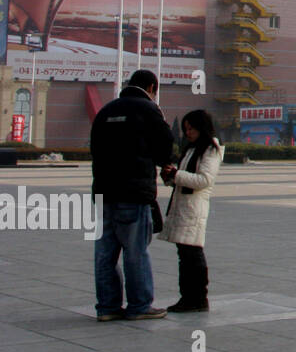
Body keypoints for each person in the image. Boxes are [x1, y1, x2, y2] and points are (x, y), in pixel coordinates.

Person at [89, 69, 174, 321]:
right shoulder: (149, 110)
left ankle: (107, 307)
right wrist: (165, 163)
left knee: (105, 253)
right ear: (151, 88)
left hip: (104, 192)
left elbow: (95, 148)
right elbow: (165, 145)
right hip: (133, 192)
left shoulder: (106, 110)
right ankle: (139, 305)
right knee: (135, 251)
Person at [158, 110, 223, 312]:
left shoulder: (211, 149)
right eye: (185, 129)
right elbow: (183, 178)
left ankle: (198, 298)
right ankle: (187, 297)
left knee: (193, 253)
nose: (188, 132)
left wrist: (177, 175)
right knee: (184, 254)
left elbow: (204, 180)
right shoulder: (191, 148)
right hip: (182, 205)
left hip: (194, 207)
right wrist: (169, 176)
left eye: (191, 128)